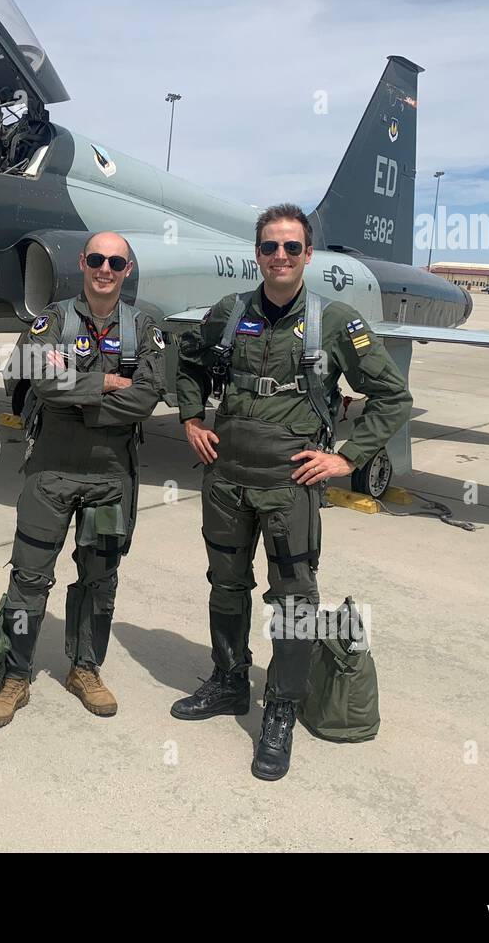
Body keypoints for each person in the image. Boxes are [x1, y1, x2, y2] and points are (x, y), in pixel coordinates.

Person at [173, 203, 412, 779]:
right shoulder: (230, 314)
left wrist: (346, 458)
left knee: (295, 603)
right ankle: (230, 681)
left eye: (291, 248)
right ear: (257, 254)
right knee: (225, 586)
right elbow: (188, 365)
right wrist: (190, 420)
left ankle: (280, 708)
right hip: (227, 480)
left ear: (307, 255)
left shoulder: (335, 322)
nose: (280, 257)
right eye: (270, 247)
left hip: (291, 486)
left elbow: (392, 396)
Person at [0, 231, 167, 728]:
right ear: (83, 263)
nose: (105, 269)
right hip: (51, 471)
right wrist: (106, 382)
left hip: (110, 477)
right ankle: (15, 677)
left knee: (99, 580)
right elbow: (38, 379)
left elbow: (147, 397)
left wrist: (76, 393)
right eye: (97, 259)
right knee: (28, 578)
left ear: (127, 269)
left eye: (116, 262)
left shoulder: (144, 325)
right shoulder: (52, 321)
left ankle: (85, 669)